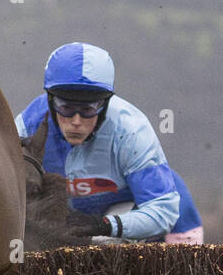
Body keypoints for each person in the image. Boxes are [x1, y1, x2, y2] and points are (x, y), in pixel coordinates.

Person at [17, 43, 185, 243]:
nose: (76, 121)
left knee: (101, 245)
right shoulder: (27, 126)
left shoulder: (131, 131)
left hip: (119, 212)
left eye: (88, 109)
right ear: (51, 101)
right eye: (66, 107)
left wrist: (105, 225)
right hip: (60, 214)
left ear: (104, 105)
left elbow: (164, 211)